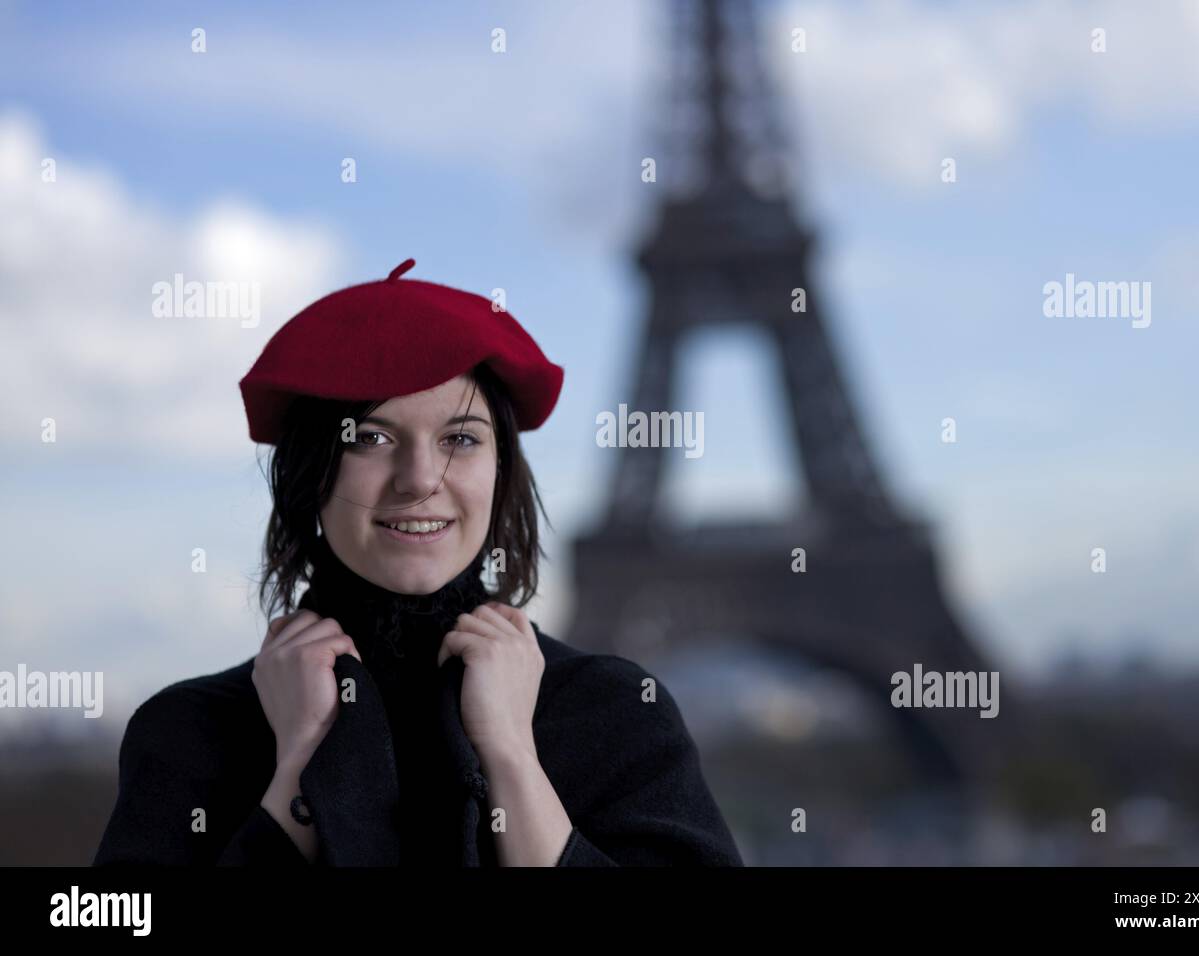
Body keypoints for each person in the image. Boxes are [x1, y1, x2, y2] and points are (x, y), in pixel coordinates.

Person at [92, 259, 744, 866]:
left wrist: (513, 755)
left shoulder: (616, 713)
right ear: (309, 474)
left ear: (501, 472)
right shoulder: (190, 731)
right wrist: (295, 777)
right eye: (372, 438)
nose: (419, 479)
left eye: (460, 439)